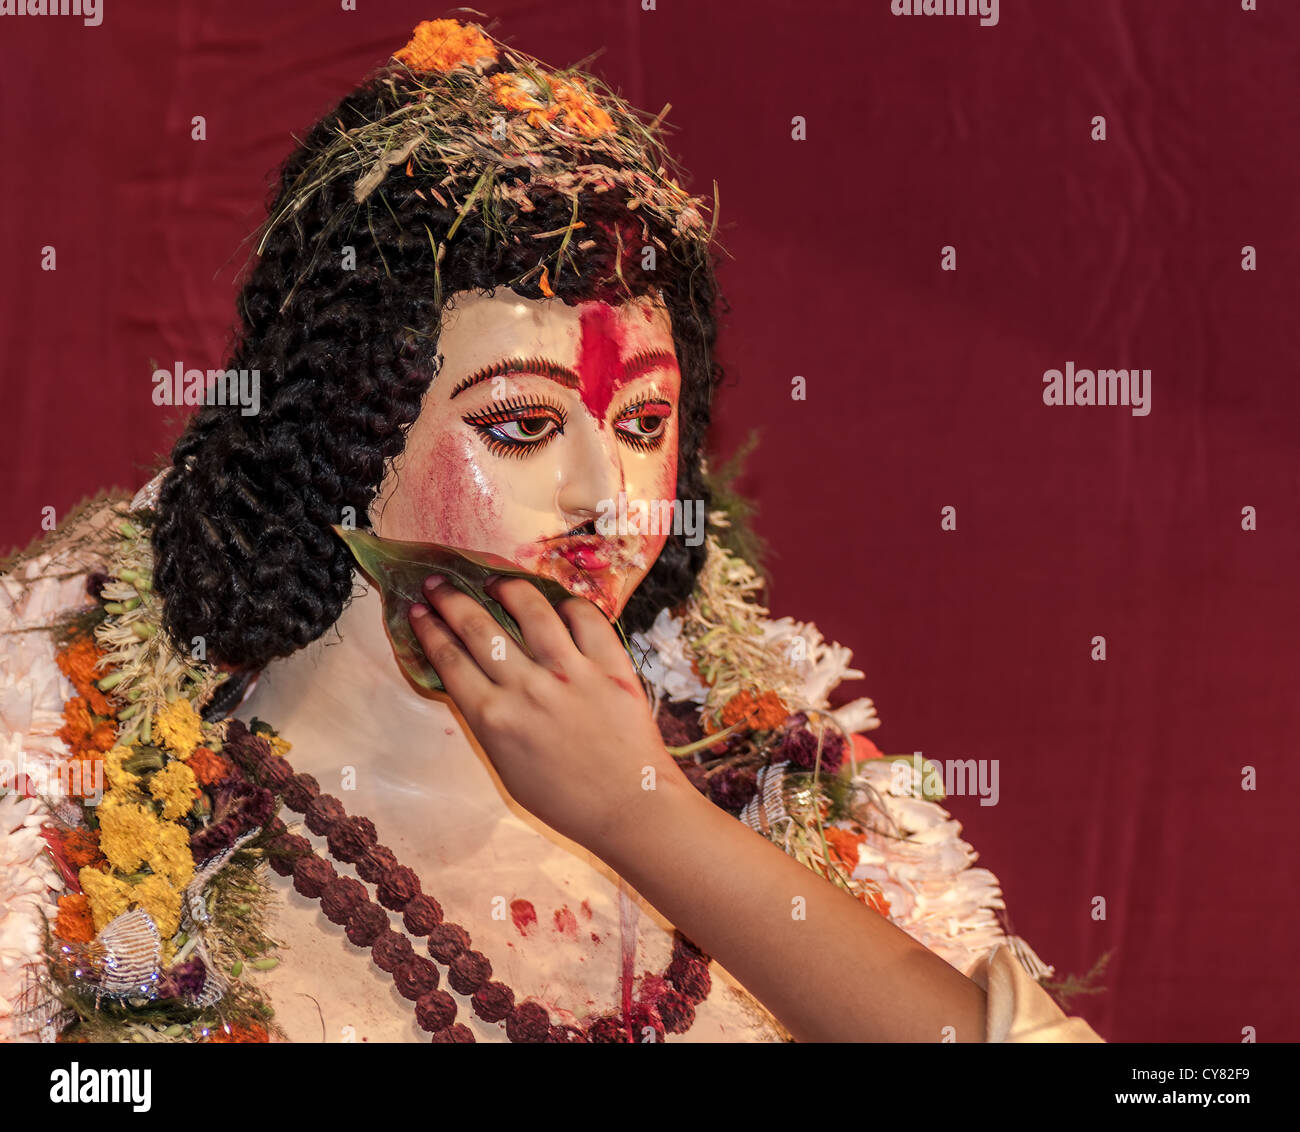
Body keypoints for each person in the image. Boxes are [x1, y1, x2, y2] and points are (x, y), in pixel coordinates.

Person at [0, 17, 1102, 1043]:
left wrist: (648, 819)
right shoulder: (71, 799)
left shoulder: (774, 784)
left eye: (644, 422)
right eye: (521, 425)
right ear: (341, 429)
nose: (606, 495)